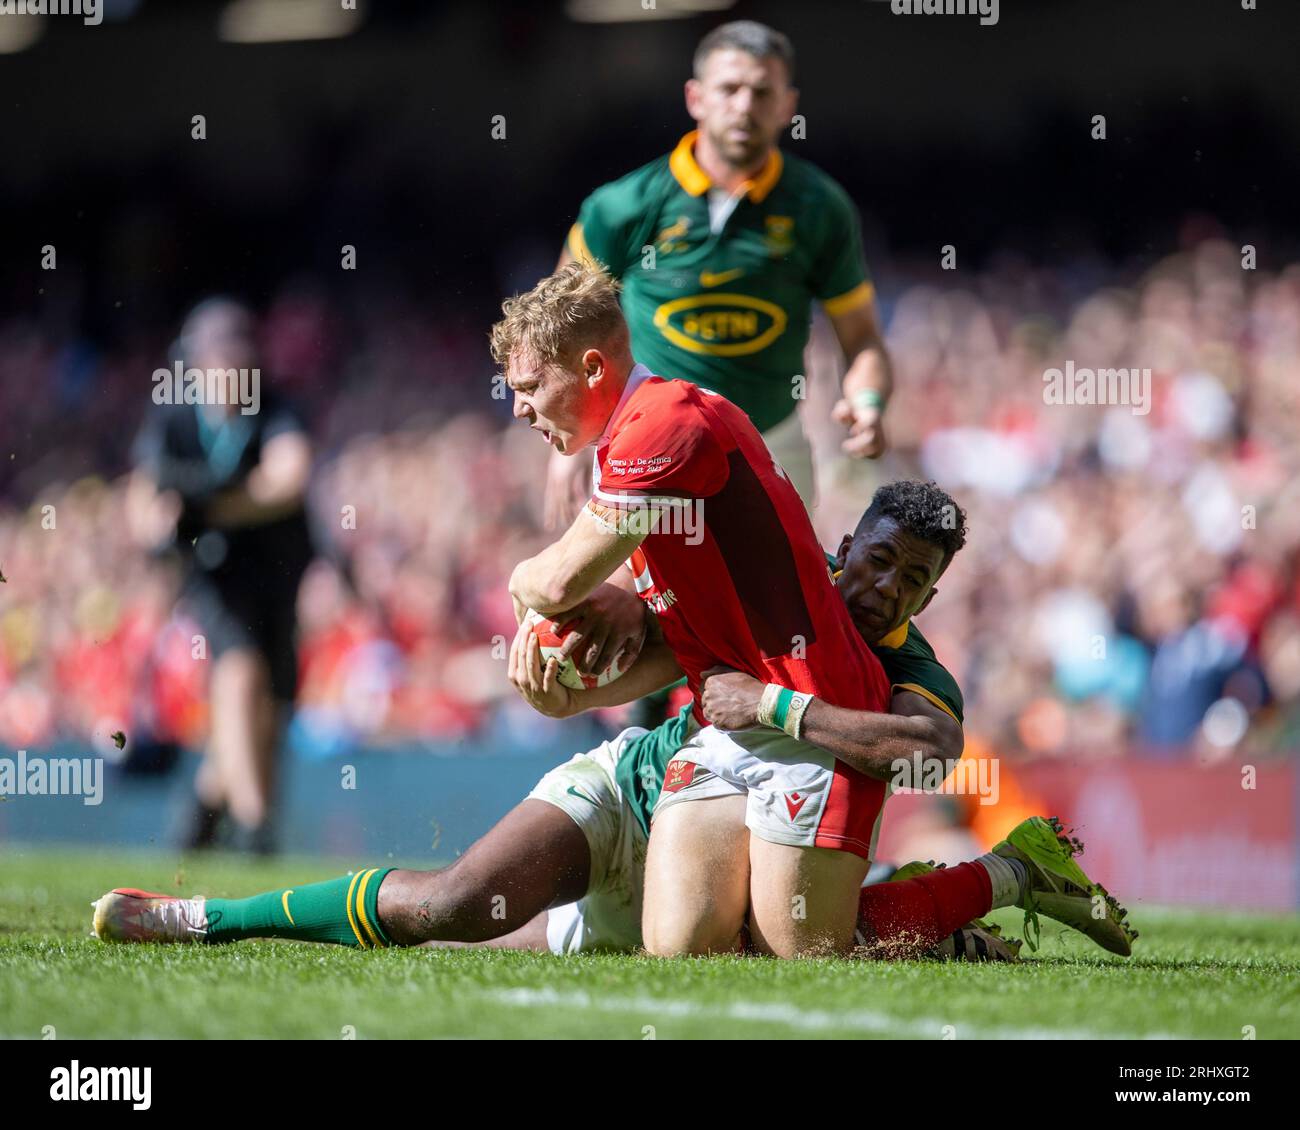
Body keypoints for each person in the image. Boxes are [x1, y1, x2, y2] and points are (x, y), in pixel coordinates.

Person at [91, 482, 1135, 961]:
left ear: (929, 597)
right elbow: (639, 657)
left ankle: (1002, 874)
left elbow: (928, 756)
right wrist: (561, 684)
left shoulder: (913, 664)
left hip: (734, 835)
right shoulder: (766, 589)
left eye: (911, 580)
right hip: (638, 789)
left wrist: (775, 705)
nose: (884, 588)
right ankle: (201, 917)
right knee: (457, 903)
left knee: (804, 945)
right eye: (878, 559)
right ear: (845, 539)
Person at [547, 19, 892, 527]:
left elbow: (862, 338)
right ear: (695, 97)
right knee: (627, 603)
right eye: (729, 89)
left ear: (786, 104)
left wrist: (868, 402)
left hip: (773, 444)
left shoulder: (820, 208)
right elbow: (559, 321)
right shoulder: (624, 206)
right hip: (645, 443)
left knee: (781, 606)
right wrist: (568, 438)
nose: (744, 105)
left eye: (761, 91)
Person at [127, 298, 313, 854]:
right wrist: (160, 527)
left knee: (276, 703)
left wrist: (210, 508)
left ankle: (207, 805)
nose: (227, 368)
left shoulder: (275, 408)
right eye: (215, 356)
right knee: (239, 668)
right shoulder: (175, 416)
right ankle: (255, 825)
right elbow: (143, 496)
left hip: (277, 567)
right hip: (212, 571)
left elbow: (289, 478)